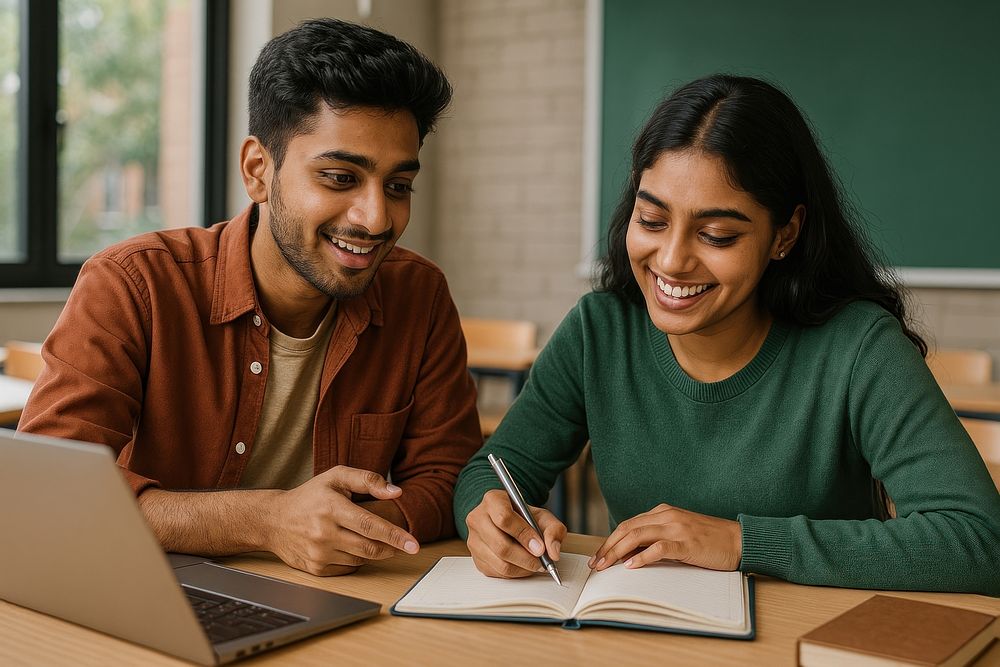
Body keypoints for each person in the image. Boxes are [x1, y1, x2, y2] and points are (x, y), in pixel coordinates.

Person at [454, 74, 1000, 595]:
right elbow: (490, 472)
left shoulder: (859, 348)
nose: (672, 260)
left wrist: (742, 542)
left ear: (785, 235)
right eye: (651, 221)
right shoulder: (599, 331)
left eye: (716, 235)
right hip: (644, 630)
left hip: (805, 637)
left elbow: (979, 540)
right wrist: (491, 517)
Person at [20, 18, 482, 576]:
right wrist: (265, 522)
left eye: (398, 186)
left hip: (340, 594)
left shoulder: (419, 294)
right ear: (258, 170)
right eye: (340, 177)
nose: (376, 218)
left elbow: (446, 475)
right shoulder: (132, 285)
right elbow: (49, 489)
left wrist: (347, 531)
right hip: (155, 588)